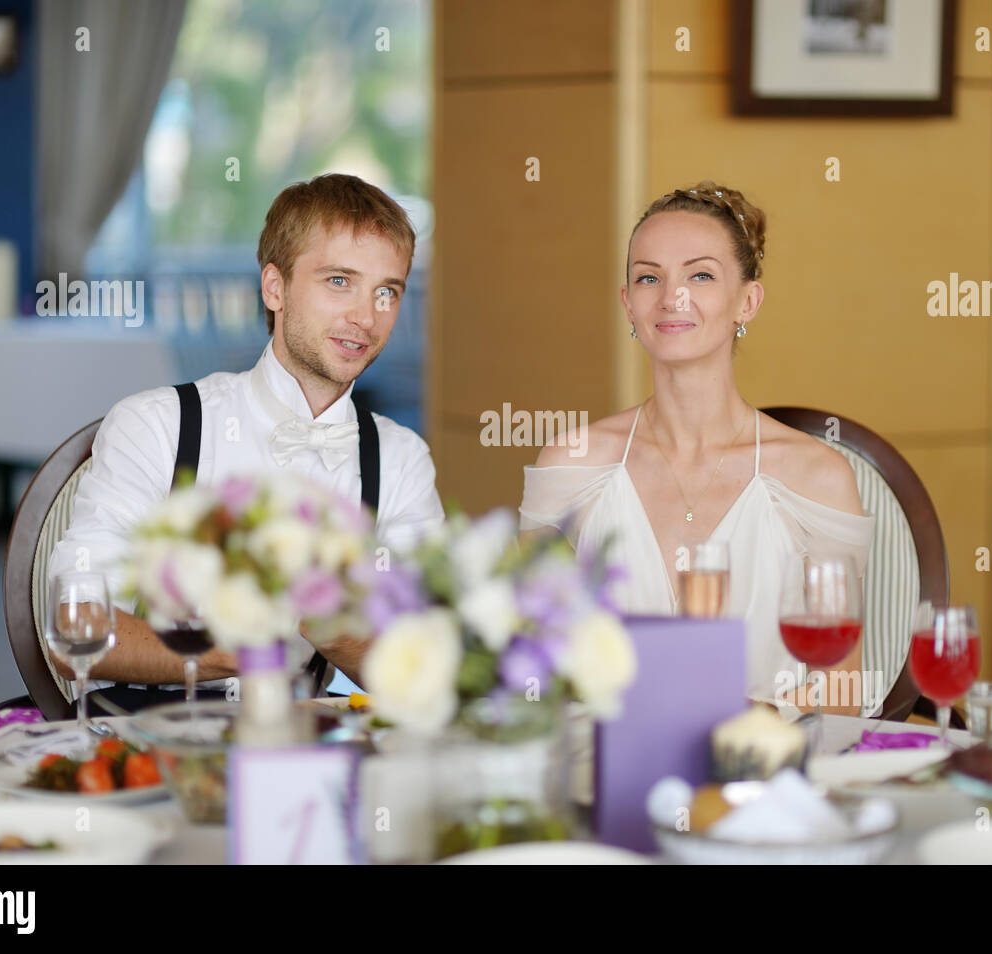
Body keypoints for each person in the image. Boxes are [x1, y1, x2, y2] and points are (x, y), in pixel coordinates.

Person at [47, 173, 445, 709]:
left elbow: (427, 668)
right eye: (338, 281)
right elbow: (73, 627)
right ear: (274, 287)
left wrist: (333, 629)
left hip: (297, 750)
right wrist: (233, 648)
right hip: (139, 742)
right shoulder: (157, 424)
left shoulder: (400, 460)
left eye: (386, 292)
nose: (366, 317)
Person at [519, 182, 875, 715]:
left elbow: (844, 690)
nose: (672, 297)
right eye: (648, 277)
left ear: (747, 302)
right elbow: (533, 663)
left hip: (764, 780)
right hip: (605, 775)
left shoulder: (816, 476)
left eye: (701, 275)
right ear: (628, 304)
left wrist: (734, 725)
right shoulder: (570, 465)